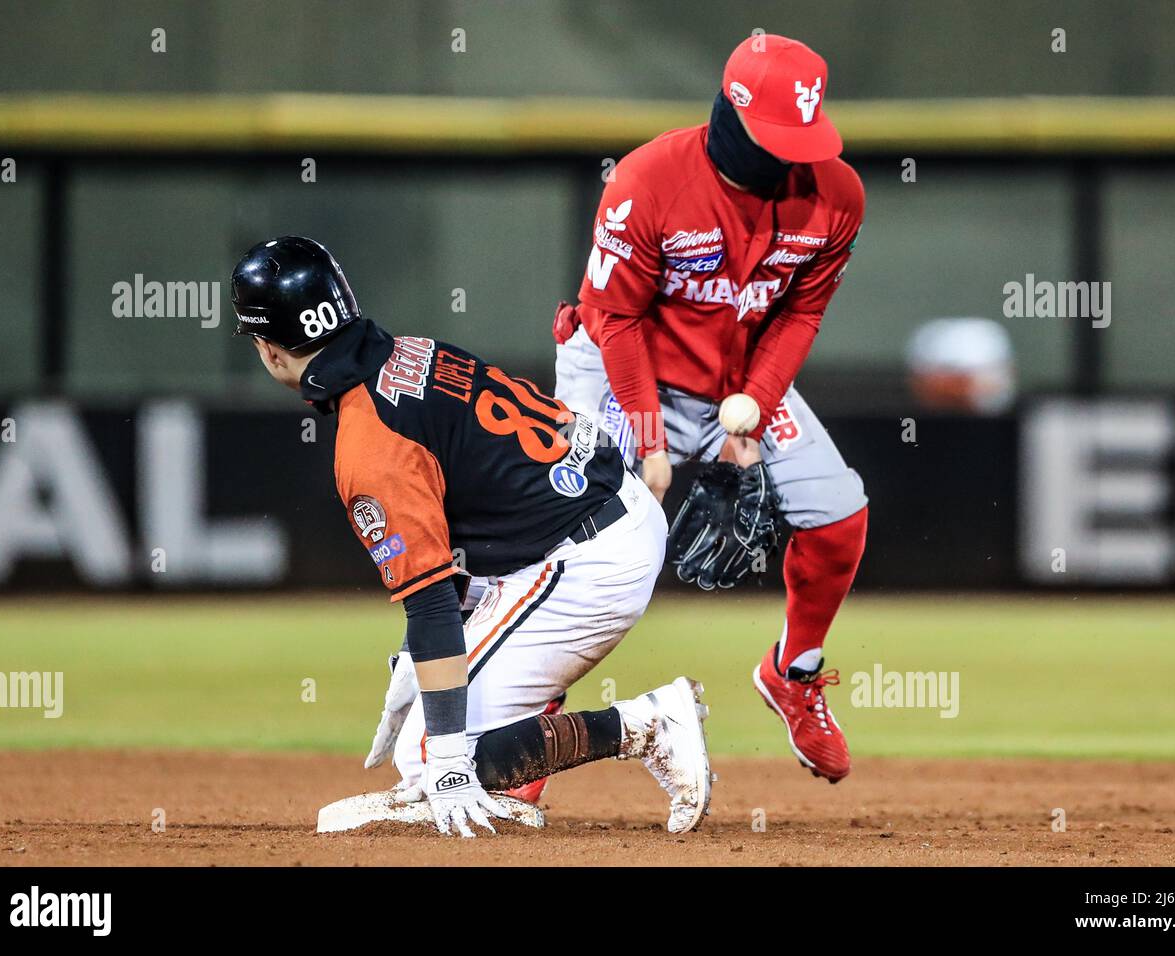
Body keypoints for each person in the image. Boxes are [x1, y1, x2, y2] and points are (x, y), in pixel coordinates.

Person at [231, 235, 712, 837]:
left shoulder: (369, 444)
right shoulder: (409, 351)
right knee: (433, 738)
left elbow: (431, 601)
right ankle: (512, 747)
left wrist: (453, 763)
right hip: (593, 509)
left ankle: (648, 724)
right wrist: (418, 658)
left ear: (270, 348)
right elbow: (468, 519)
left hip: (590, 557)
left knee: (430, 759)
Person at [552, 34, 867, 783]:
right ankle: (532, 719)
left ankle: (794, 672)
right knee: (565, 537)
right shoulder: (647, 180)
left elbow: (799, 315)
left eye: (804, 140)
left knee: (839, 515)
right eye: (777, 139)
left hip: (734, 380)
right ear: (732, 112)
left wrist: (752, 413)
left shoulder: (836, 196)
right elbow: (615, 318)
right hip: (621, 369)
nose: (793, 157)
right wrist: (651, 442)